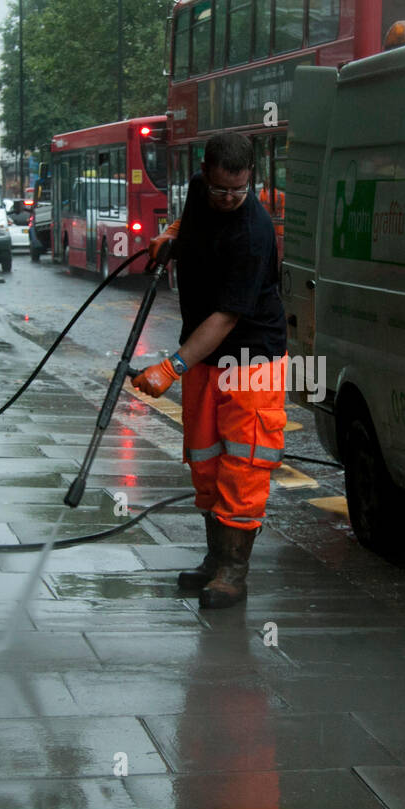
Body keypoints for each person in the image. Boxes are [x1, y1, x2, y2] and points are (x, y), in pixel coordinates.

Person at [132, 132, 288, 609]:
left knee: (244, 465)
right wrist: (172, 236)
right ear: (206, 172)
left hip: (250, 359)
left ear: (250, 182)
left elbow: (227, 317)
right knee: (205, 461)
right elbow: (195, 223)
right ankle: (213, 559)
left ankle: (233, 574)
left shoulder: (253, 233)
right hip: (204, 353)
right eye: (220, 189)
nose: (226, 199)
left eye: (237, 192)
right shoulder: (201, 192)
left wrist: (172, 367)